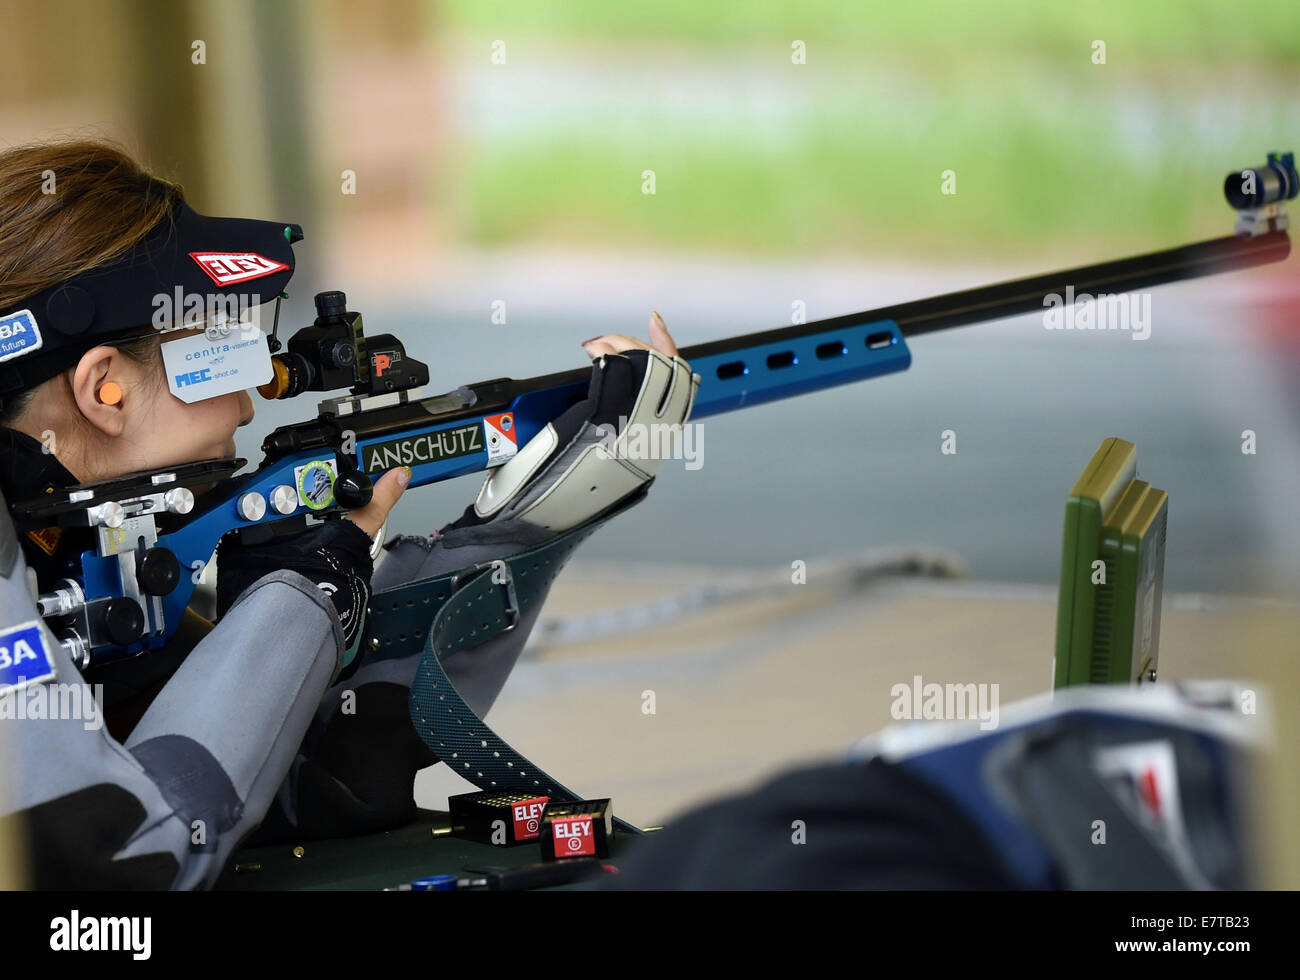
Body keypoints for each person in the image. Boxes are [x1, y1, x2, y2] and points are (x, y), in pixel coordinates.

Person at [0, 138, 698, 888]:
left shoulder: (58, 550)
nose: (243, 404)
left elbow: (321, 784)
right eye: (219, 357)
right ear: (104, 388)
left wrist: (522, 524)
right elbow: (128, 861)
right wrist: (307, 595)